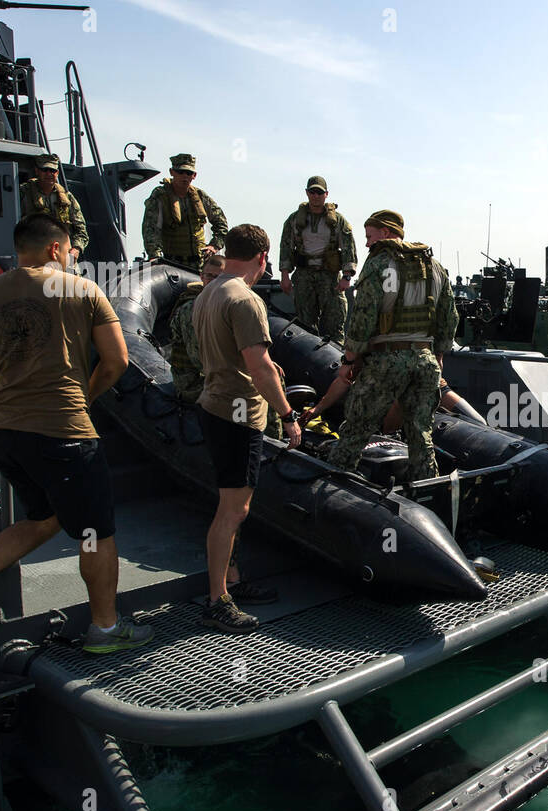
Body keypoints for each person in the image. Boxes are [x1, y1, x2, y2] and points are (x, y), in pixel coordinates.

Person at [0, 213, 151, 653]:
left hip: (7, 433)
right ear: (55, 249)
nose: (72, 259)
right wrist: (85, 397)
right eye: (71, 252)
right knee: (95, 532)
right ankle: (105, 628)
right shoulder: (84, 290)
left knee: (43, 518)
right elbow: (117, 361)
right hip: (63, 432)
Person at [192, 223, 301, 633]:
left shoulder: (209, 292)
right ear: (262, 256)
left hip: (215, 405)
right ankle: (217, 600)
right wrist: (288, 416)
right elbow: (257, 367)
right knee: (232, 510)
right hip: (236, 415)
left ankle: (232, 583)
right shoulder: (245, 299)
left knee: (232, 507)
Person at [328, 210, 457, 483]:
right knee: (420, 433)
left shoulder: (378, 264)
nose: (366, 244)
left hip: (387, 359)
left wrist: (350, 360)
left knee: (357, 428)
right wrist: (439, 356)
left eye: (369, 236)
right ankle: (427, 490)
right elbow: (449, 317)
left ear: (386, 233)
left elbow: (363, 317)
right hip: (425, 361)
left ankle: (335, 485)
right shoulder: (434, 266)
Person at [278, 175, 358, 343]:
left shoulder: (337, 220)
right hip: (304, 275)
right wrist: (284, 275)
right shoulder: (294, 220)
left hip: (329, 276)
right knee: (305, 324)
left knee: (335, 321)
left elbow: (348, 247)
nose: (316, 196)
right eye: (312, 192)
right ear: (307, 193)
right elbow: (286, 246)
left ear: (326, 194)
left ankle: (336, 359)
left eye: (319, 192)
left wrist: (347, 276)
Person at [141, 153, 227, 268]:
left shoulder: (200, 196)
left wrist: (214, 246)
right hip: (171, 262)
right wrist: (155, 255)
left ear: (194, 175)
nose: (185, 176)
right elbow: (150, 229)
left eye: (189, 173)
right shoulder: (161, 196)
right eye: (180, 172)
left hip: (199, 264)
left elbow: (221, 223)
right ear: (172, 172)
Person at [168, 253, 225, 403]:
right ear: (201, 277)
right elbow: (199, 359)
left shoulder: (222, 304)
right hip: (193, 382)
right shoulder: (191, 309)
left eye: (218, 277)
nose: (213, 282)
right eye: (209, 276)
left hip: (214, 377)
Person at [18, 153, 88, 261]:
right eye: (44, 170)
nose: (49, 174)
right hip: (36, 256)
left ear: (57, 173)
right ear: (37, 171)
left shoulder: (67, 198)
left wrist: (76, 249)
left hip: (63, 257)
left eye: (52, 171)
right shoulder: (23, 193)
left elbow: (81, 230)